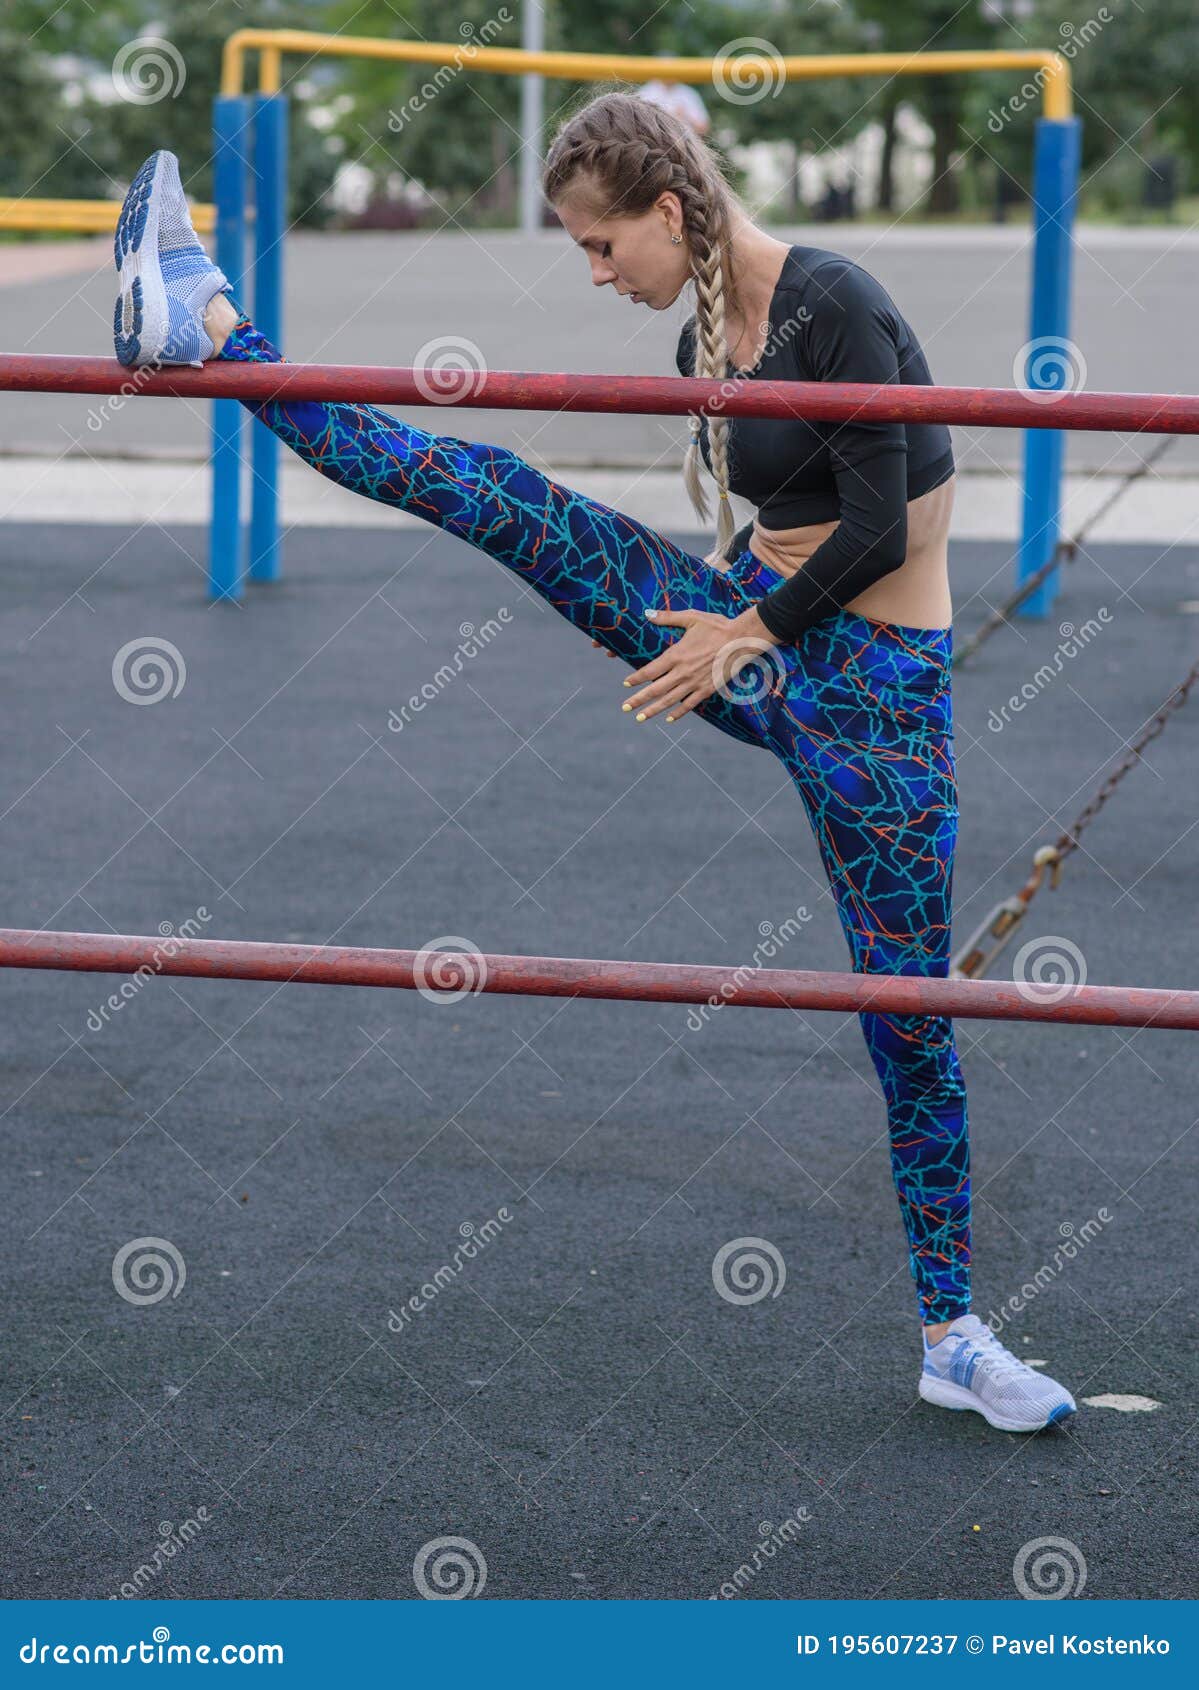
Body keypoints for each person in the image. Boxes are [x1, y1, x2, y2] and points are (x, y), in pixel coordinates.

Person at [110, 94, 1077, 1434]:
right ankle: (209, 327)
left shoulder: (830, 302)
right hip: (744, 629)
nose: (595, 273)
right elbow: (783, 524)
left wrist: (742, 633)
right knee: (497, 494)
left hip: (873, 705)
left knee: (908, 1020)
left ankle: (954, 1336)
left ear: (670, 214)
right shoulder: (711, 315)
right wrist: (732, 621)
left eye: (599, 245)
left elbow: (873, 525)